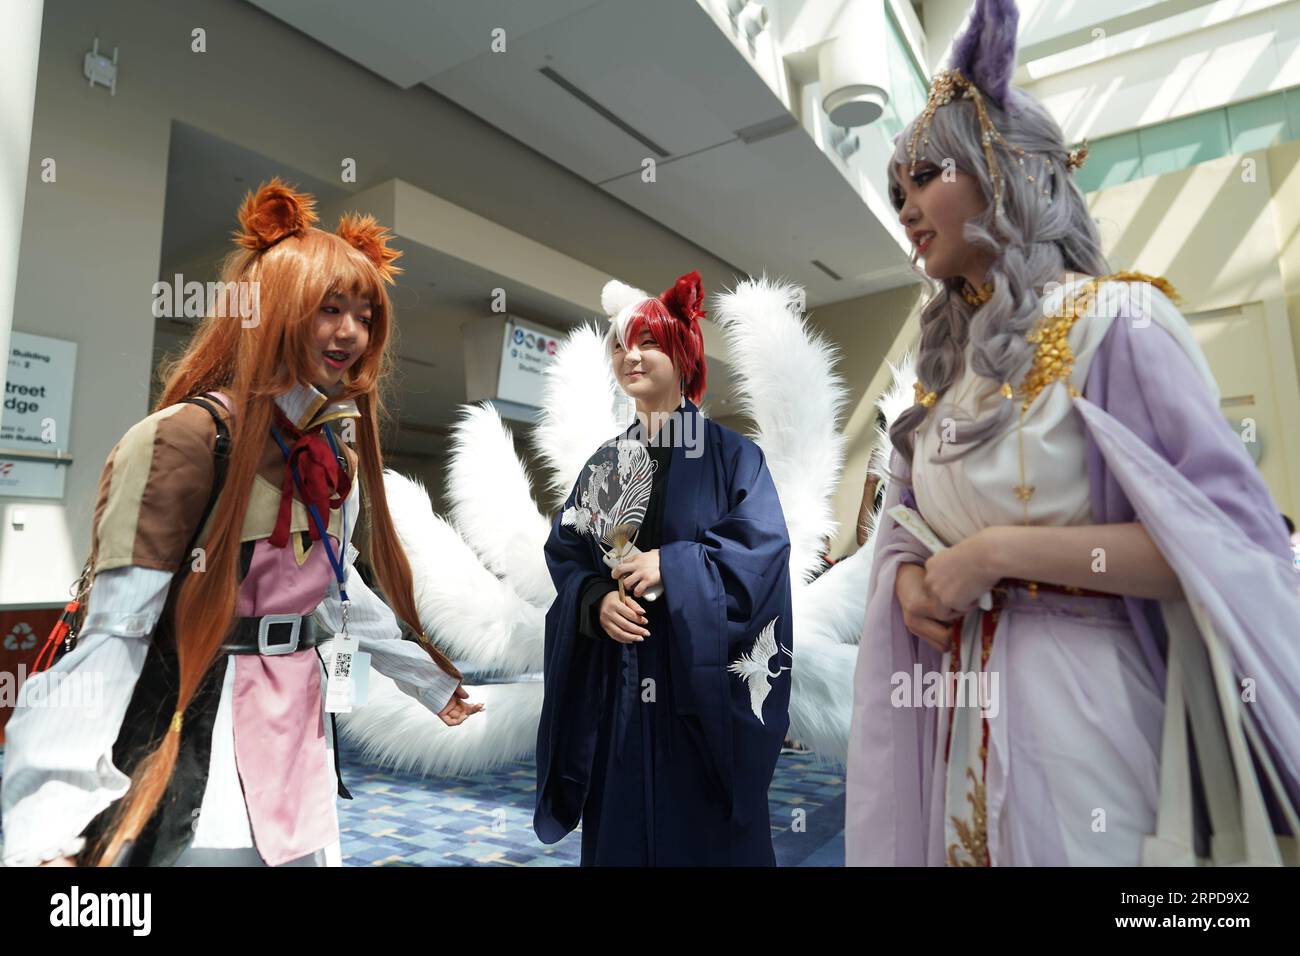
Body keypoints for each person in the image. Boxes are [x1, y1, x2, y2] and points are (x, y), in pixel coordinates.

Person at [846, 0, 1300, 866]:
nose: (906, 205)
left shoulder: (1118, 320)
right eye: (897, 190)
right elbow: (905, 520)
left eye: (926, 175)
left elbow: (1229, 545)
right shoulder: (945, 365)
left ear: (1005, 165)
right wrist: (907, 580)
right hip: (964, 706)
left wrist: (995, 554)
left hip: (1090, 708)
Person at [0, 179, 480, 868]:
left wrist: (430, 682)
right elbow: (115, 637)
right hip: (204, 730)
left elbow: (340, 597)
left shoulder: (331, 454)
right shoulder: (185, 440)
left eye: (365, 314)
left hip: (301, 730)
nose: (350, 331)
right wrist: (51, 823)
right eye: (327, 308)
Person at [533, 271, 794, 865]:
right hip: (620, 691)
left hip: (699, 696)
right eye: (622, 344)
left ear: (684, 354)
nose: (632, 355)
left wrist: (675, 567)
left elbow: (763, 554)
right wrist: (595, 599)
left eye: (648, 341)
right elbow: (567, 551)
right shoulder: (607, 462)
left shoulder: (733, 458)